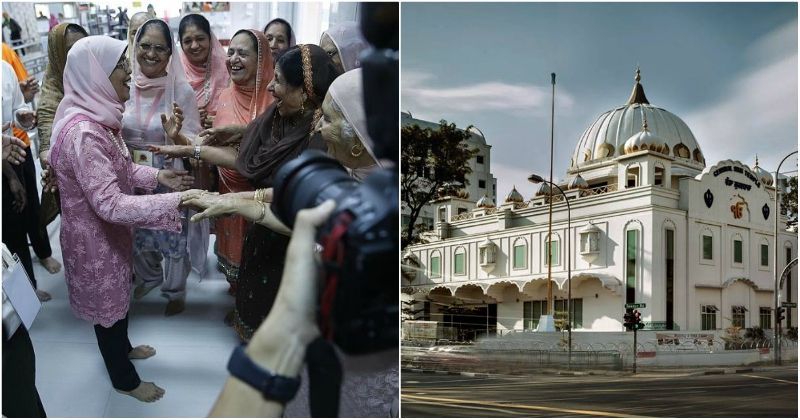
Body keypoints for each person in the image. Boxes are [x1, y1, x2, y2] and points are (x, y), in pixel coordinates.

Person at [48, 35, 198, 403]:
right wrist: (175, 200)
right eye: (121, 66)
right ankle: (124, 379)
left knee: (117, 297)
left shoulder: (99, 119)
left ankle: (124, 347)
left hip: (107, 237)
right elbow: (110, 204)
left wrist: (158, 177)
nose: (130, 72)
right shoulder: (85, 133)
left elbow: (122, 169)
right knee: (107, 310)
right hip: (93, 241)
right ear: (96, 74)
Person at [151, 29, 274, 298]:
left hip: (261, 197)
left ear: (261, 58)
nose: (234, 59)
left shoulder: (272, 101)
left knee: (258, 266)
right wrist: (178, 137)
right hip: (226, 192)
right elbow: (210, 148)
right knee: (233, 262)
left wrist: (191, 148)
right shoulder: (226, 96)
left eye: (243, 53)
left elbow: (259, 157)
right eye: (231, 52)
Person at [124, 19, 203, 316]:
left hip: (170, 170)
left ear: (171, 55)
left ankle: (175, 290)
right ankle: (149, 276)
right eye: (145, 46)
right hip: (131, 171)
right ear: (135, 47)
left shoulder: (181, 90)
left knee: (173, 233)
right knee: (136, 229)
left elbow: (194, 141)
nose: (151, 54)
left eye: (160, 48)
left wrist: (176, 136)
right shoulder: (124, 83)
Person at [37, 23, 89, 229]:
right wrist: (49, 160)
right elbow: (46, 148)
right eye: (70, 50)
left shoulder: (99, 78)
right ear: (57, 54)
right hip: (74, 191)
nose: (79, 55)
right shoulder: (52, 96)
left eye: (84, 46)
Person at [177, 14, 229, 130]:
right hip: (182, 140)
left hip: (223, 138)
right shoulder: (174, 71)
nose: (194, 46)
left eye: (200, 39)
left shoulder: (226, 68)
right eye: (188, 41)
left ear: (210, 39)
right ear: (181, 43)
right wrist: (189, 117)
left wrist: (220, 120)